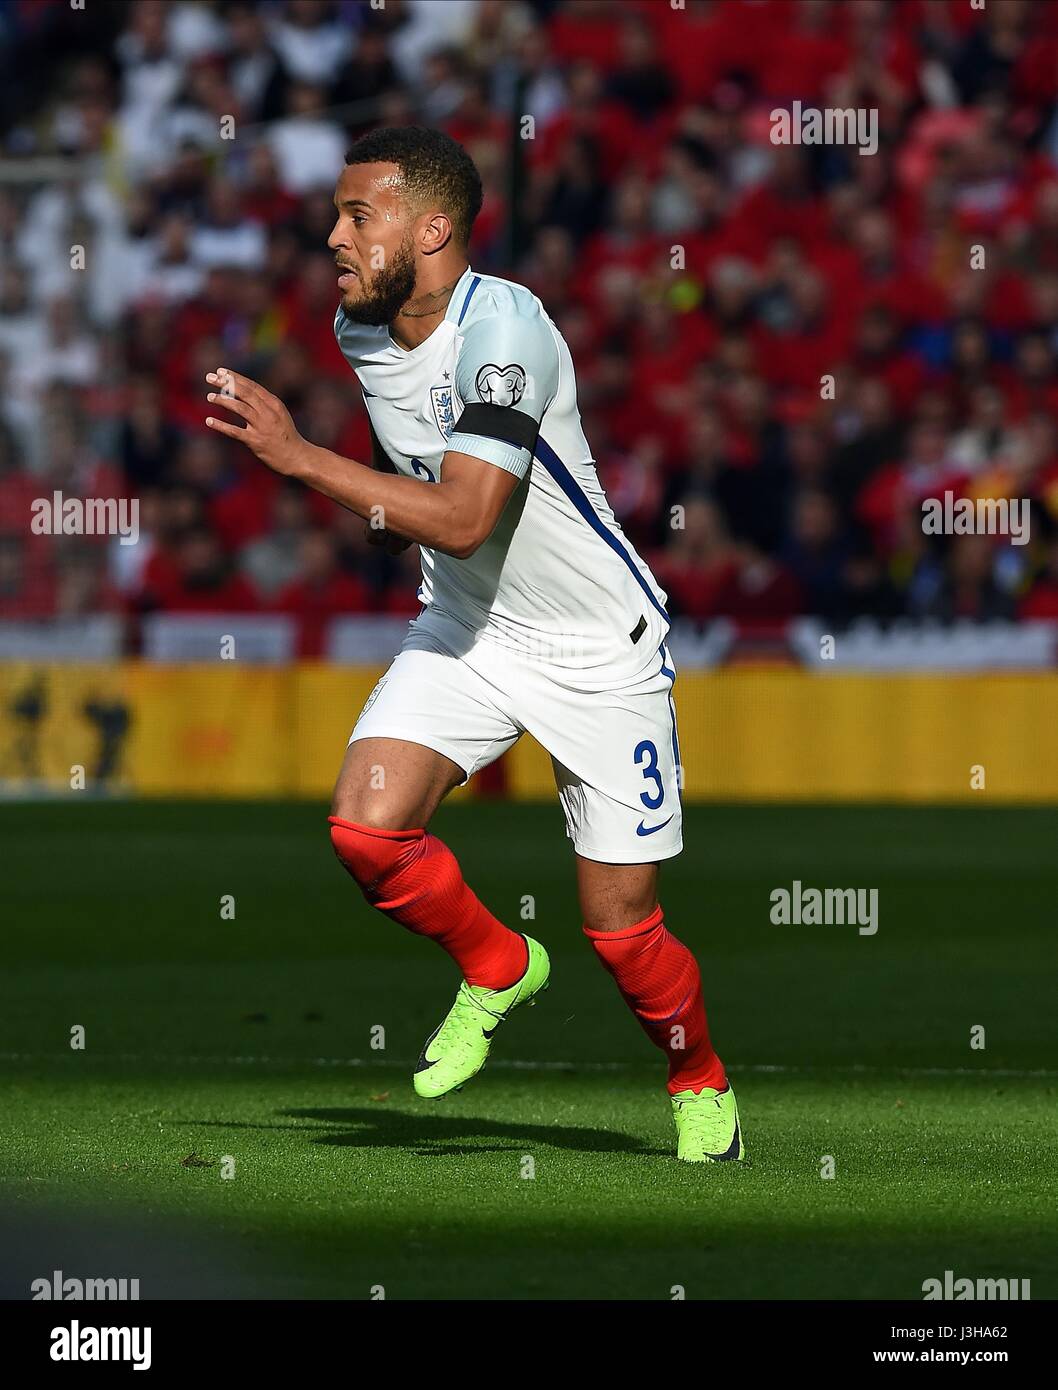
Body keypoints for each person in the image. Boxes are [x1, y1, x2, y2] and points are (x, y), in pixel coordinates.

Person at [204, 126, 742, 1163]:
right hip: (468, 625)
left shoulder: (509, 333)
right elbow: (443, 533)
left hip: (597, 648)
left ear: (434, 228)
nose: (332, 237)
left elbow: (461, 516)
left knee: (622, 931)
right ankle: (496, 963)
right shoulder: (360, 330)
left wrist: (299, 457)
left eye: (358, 216)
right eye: (336, 215)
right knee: (365, 831)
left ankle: (696, 1077)